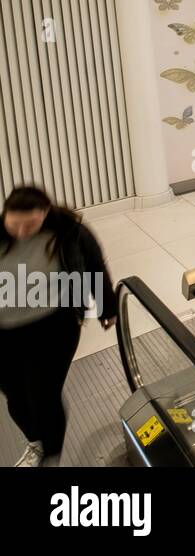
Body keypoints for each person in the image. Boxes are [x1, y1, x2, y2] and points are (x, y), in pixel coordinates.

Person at [1, 186, 117, 467]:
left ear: (45, 213)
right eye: (15, 224)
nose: (22, 231)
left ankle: (51, 454)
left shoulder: (69, 232)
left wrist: (107, 306)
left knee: (44, 396)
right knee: (15, 398)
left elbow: (94, 267)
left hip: (54, 328)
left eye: (30, 224)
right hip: (5, 333)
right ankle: (36, 442)